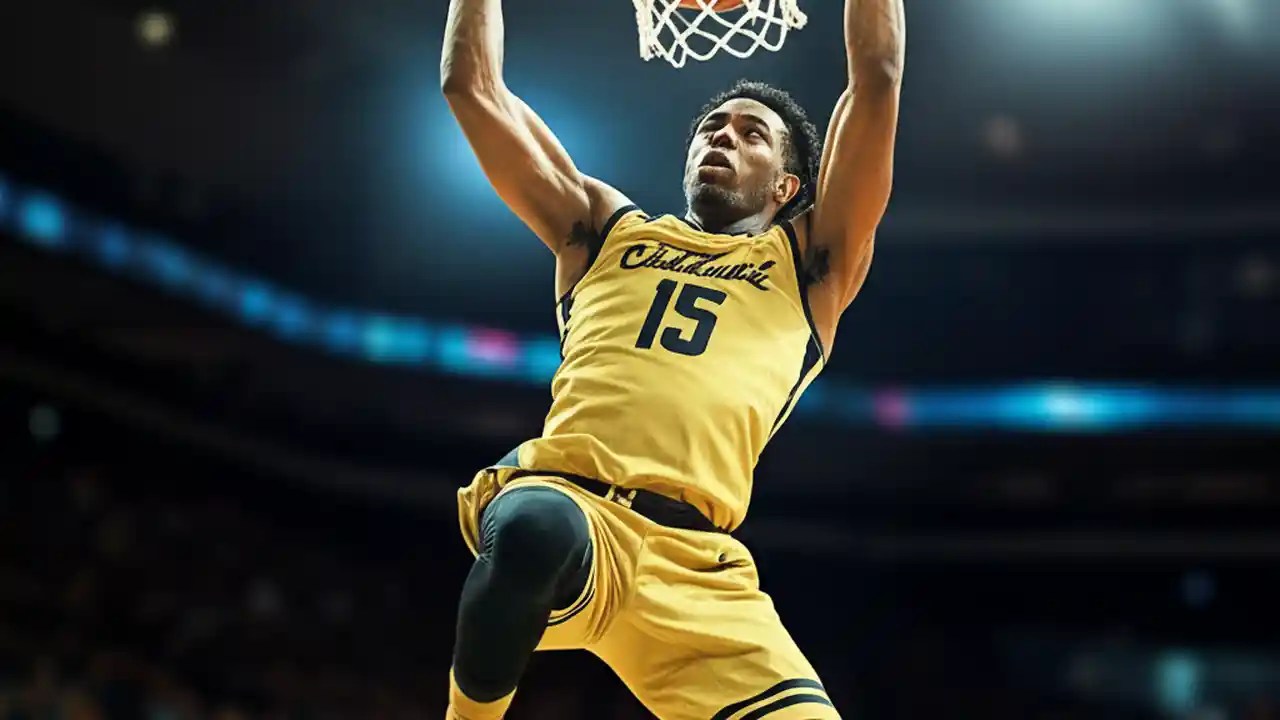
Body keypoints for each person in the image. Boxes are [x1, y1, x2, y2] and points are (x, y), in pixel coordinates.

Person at [439, 0, 904, 716]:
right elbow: (471, 88)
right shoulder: (602, 229)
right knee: (535, 528)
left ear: (786, 187)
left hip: (700, 571)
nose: (724, 137)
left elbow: (875, 77)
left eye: (753, 134)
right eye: (713, 128)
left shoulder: (810, 261)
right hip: (575, 516)